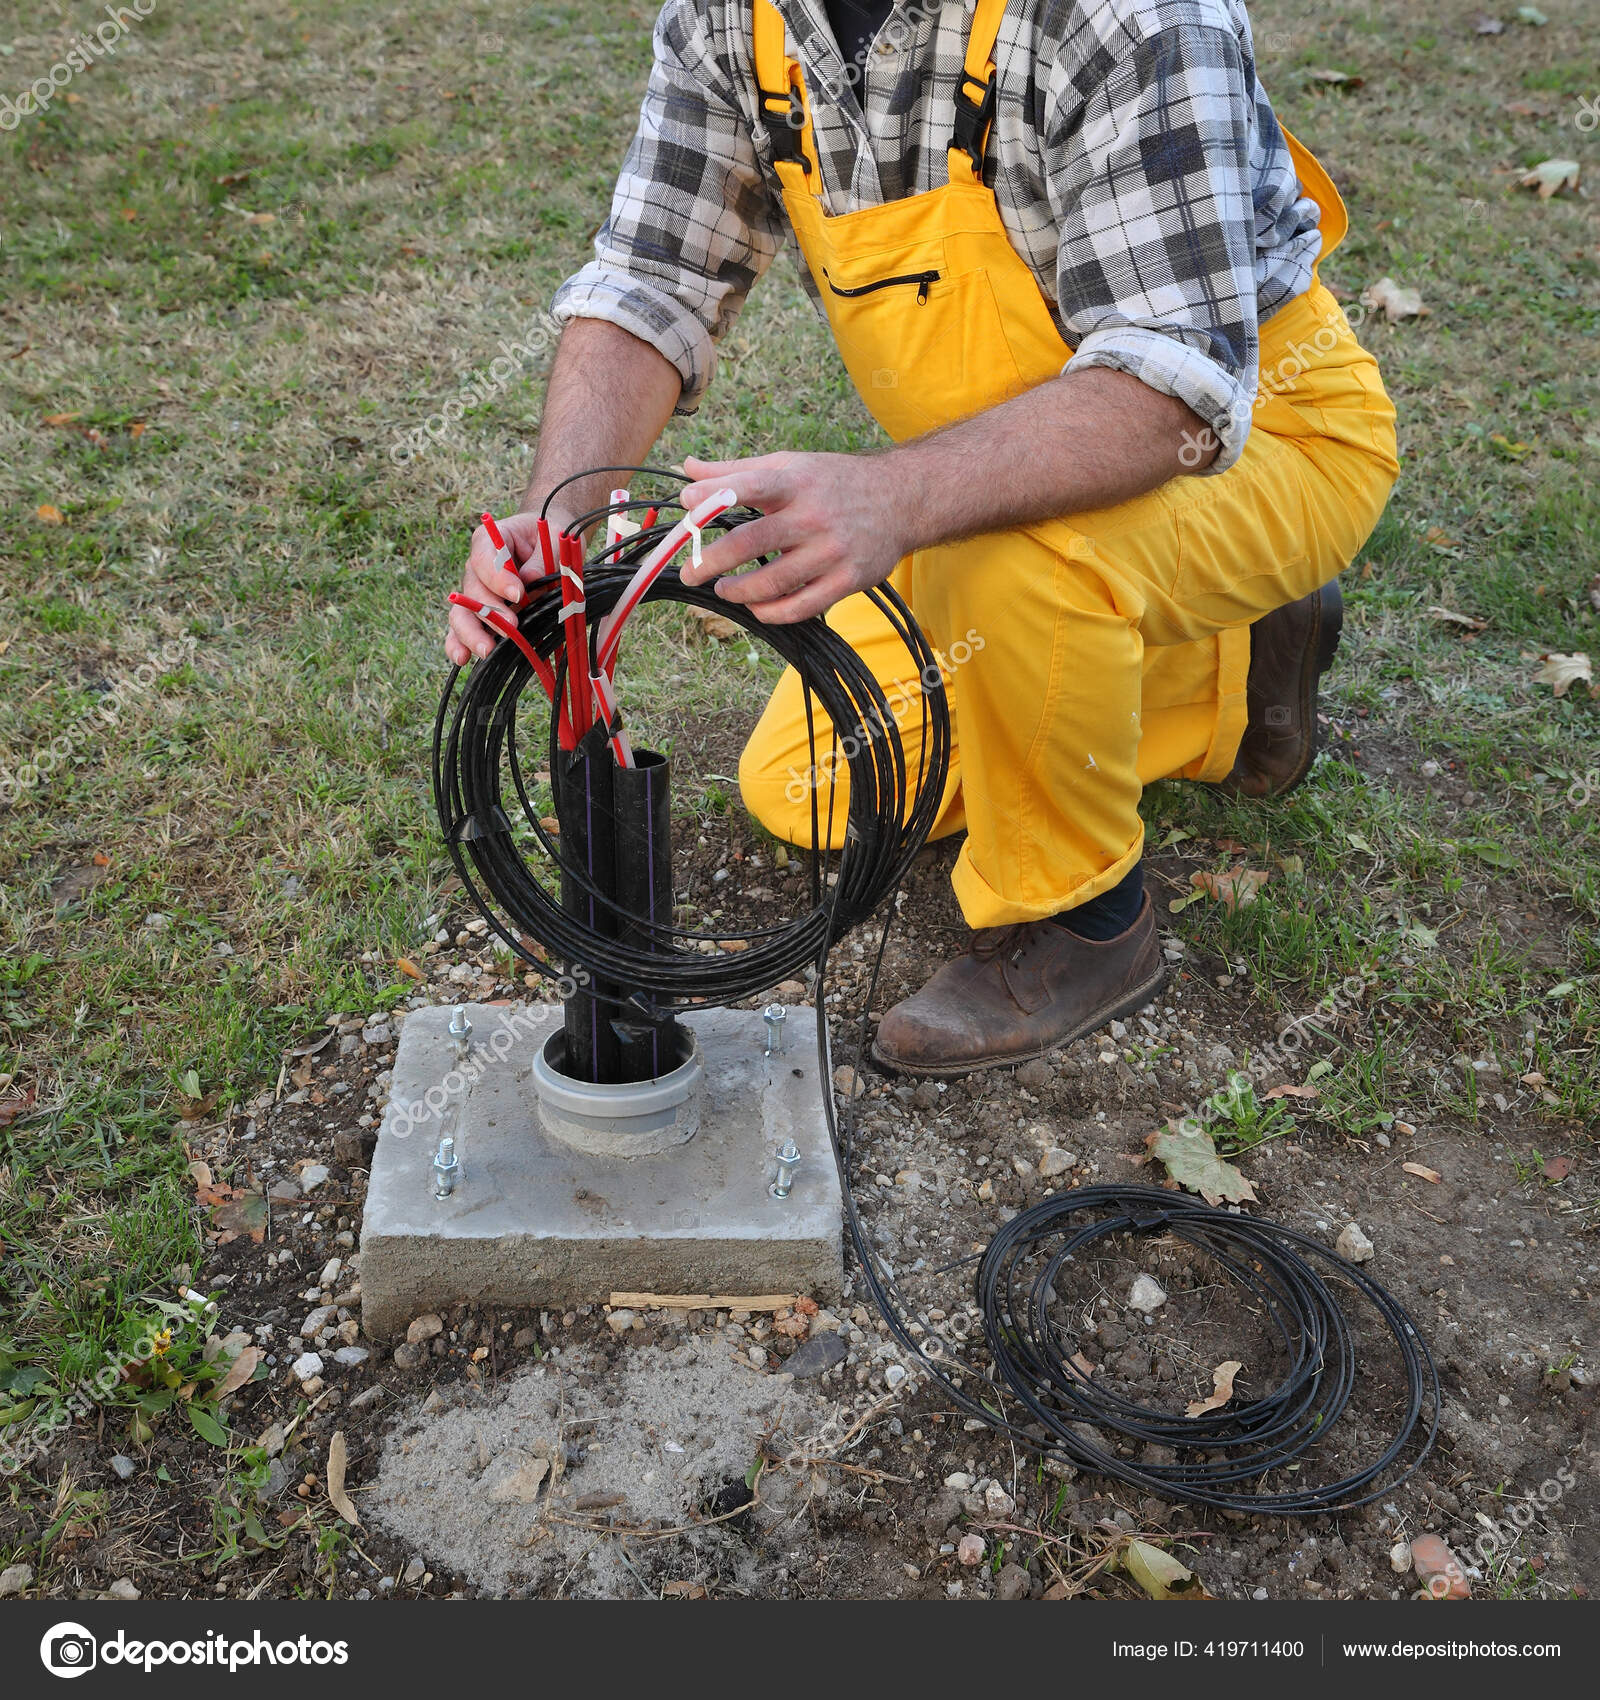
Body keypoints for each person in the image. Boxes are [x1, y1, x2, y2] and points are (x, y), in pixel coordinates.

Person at [447, 0, 1398, 1078]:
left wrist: (893, 498)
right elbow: (649, 277)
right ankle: (1224, 672)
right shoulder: (735, 20)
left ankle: (1089, 922)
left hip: (1258, 433)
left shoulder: (1128, 15)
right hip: (999, 478)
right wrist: (564, 520)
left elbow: (1177, 383)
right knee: (809, 785)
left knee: (1023, 559)